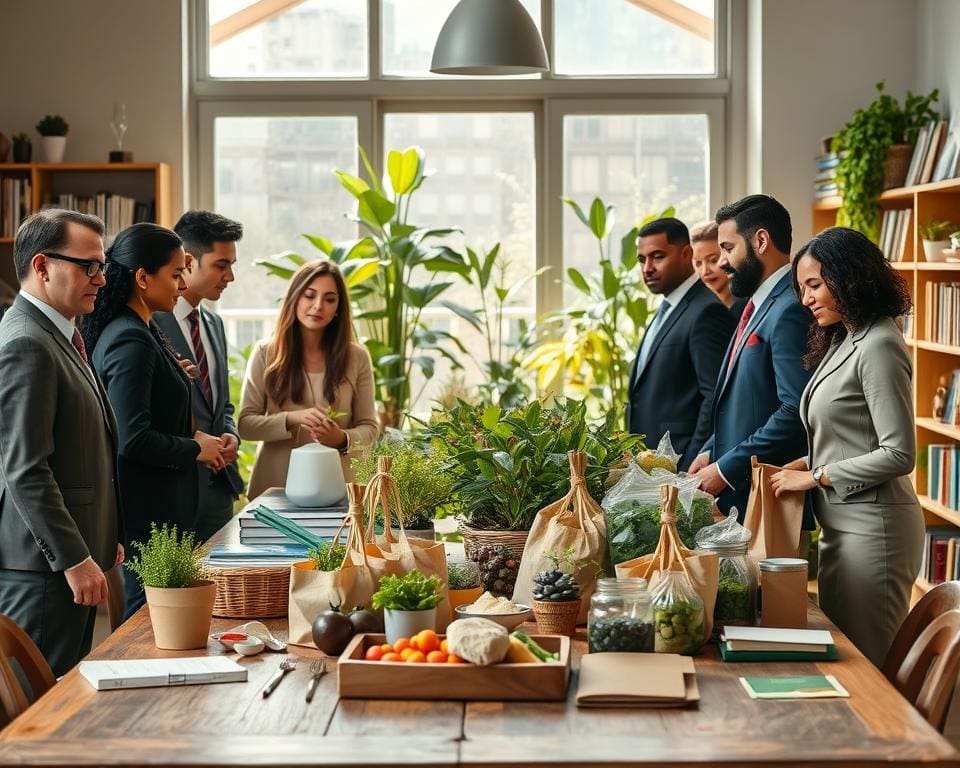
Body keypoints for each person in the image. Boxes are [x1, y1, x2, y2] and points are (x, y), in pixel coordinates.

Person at [770, 227, 923, 666]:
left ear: (848, 276)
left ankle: (890, 737)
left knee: (868, 667)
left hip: (875, 532)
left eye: (814, 285)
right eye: (802, 288)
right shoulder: (844, 338)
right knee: (845, 657)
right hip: (842, 529)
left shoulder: (878, 344)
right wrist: (800, 463)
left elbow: (898, 453)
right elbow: (849, 436)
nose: (806, 299)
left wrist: (814, 477)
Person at [0, 209, 123, 676]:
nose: (101, 278)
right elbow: (26, 469)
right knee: (41, 713)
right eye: (88, 265)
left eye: (103, 266)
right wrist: (74, 556)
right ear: (42, 266)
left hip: (66, 563)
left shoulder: (61, 332)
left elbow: (81, 449)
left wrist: (101, 535)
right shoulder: (26, 343)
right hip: (43, 573)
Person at [81, 223, 225, 619]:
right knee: (148, 625)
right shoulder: (130, 338)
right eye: (176, 273)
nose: (183, 283)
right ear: (143, 278)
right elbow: (134, 439)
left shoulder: (141, 329)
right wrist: (198, 447)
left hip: (159, 513)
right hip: (149, 516)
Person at [689, 195, 812, 517]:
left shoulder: (789, 309)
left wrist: (725, 469)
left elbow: (795, 410)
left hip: (768, 500)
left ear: (760, 241)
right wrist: (709, 452)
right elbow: (745, 402)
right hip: (742, 495)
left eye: (728, 249)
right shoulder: (756, 305)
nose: (721, 263)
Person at [239, 259, 379, 499]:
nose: (318, 306)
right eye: (309, 295)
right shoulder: (265, 353)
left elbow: (370, 427)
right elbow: (245, 425)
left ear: (338, 308)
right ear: (295, 298)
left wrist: (342, 439)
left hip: (339, 490)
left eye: (329, 299)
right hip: (275, 487)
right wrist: (292, 418)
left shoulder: (357, 357)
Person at [154, 211, 244, 542]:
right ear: (188, 261)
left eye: (232, 265)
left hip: (218, 495)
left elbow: (223, 405)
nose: (230, 277)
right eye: (222, 265)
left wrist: (231, 436)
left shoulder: (214, 325)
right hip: (171, 497)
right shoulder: (150, 325)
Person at [626, 217, 735, 470]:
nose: (647, 268)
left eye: (657, 257)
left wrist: (690, 463)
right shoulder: (667, 307)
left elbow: (715, 398)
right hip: (653, 463)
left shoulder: (707, 311)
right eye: (642, 260)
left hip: (680, 465)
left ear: (686, 254)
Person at [690, 220, 747, 319]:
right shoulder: (694, 310)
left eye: (713, 260)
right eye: (698, 263)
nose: (705, 271)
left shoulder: (749, 306)